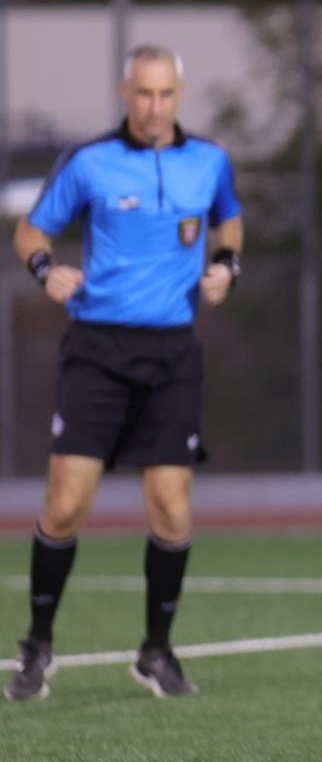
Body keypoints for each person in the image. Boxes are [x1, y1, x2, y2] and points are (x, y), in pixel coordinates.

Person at [6, 44, 242, 701]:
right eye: (143, 94)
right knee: (66, 503)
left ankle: (155, 652)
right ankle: (37, 646)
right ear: (124, 91)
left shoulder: (209, 162)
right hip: (97, 351)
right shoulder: (89, 163)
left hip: (172, 354)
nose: (154, 106)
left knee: (171, 507)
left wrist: (228, 267)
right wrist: (45, 271)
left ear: (179, 96)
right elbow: (30, 232)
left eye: (165, 94)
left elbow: (231, 221)